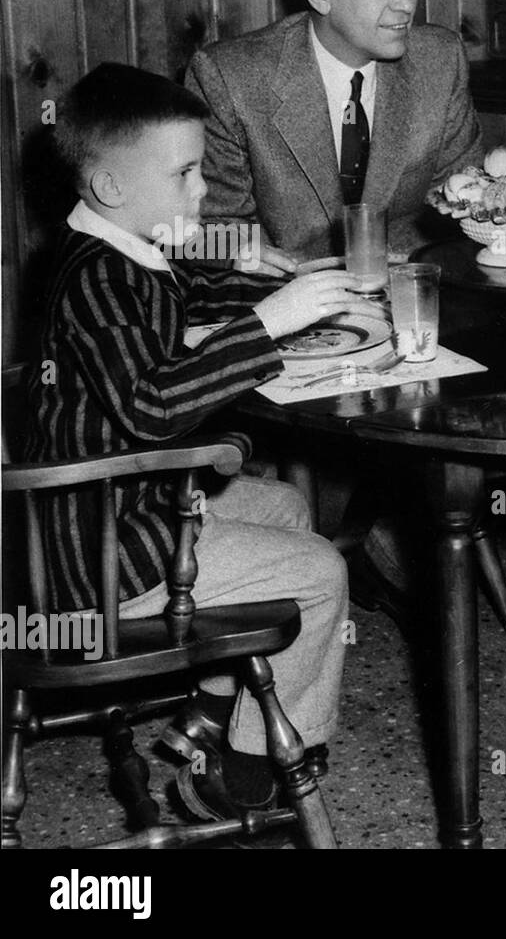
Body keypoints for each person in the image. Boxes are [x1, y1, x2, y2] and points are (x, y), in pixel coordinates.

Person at [26, 62, 377, 821]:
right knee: (318, 574)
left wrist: (270, 284)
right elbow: (152, 407)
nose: (202, 192)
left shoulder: (122, 254)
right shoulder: (100, 282)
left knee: (283, 506)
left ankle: (208, 718)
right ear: (112, 188)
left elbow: (187, 300)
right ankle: (244, 773)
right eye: (185, 173)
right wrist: (270, 323)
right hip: (96, 550)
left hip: (109, 503)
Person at [185, 0, 481, 267]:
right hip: (286, 298)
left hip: (408, 287)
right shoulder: (230, 77)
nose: (406, 4)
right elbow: (196, 231)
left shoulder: (440, 61)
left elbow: (467, 206)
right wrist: (246, 256)